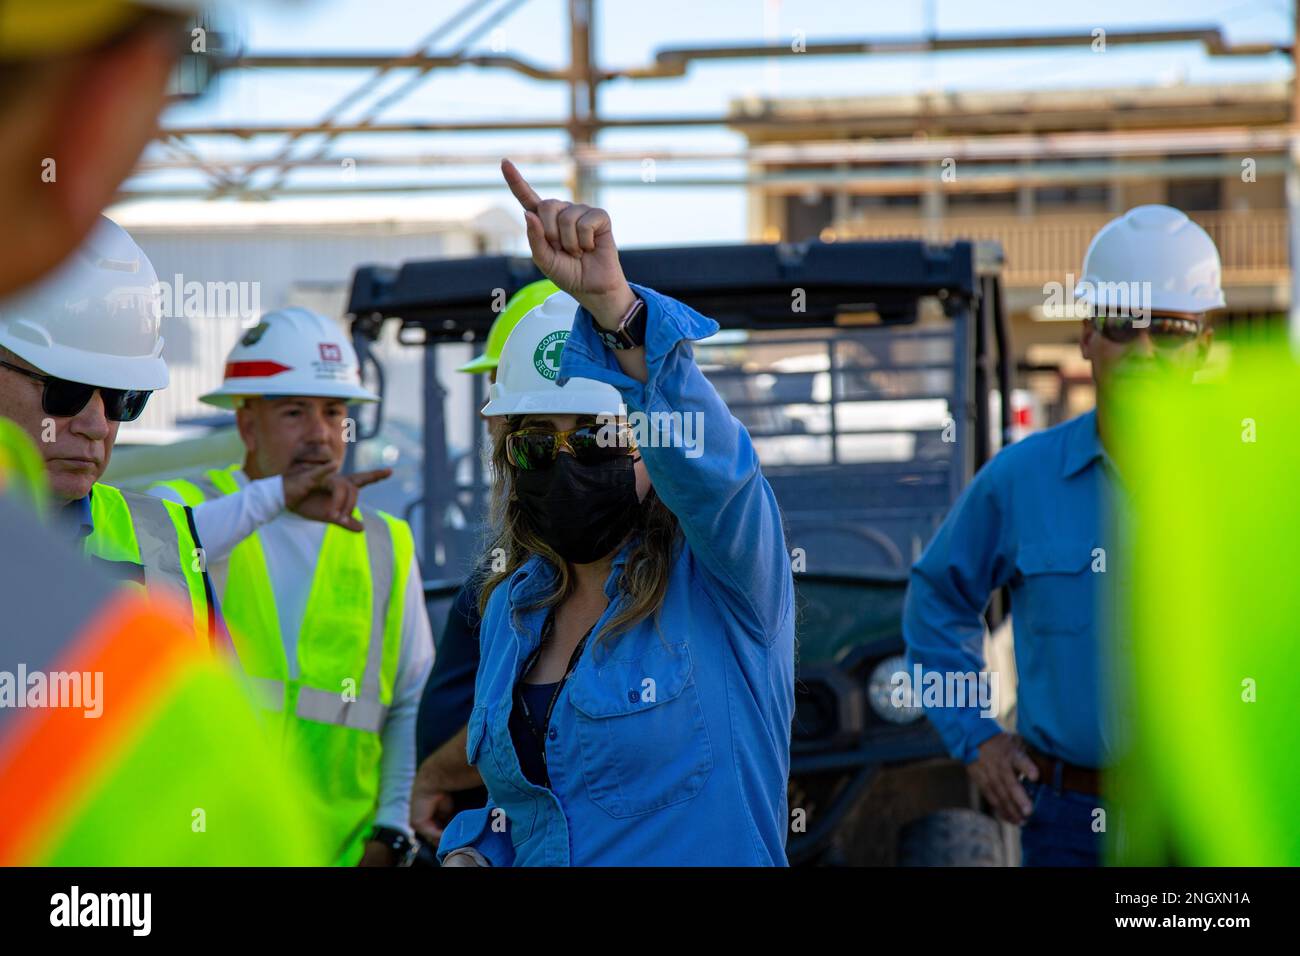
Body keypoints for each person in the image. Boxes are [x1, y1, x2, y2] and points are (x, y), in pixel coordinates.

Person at [0, 0, 327, 866]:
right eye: (68, 389)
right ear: (104, 104)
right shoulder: (193, 774)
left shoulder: (160, 537)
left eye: (124, 400)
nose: (97, 425)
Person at [436, 160, 795, 867]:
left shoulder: (727, 584)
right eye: (537, 442)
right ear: (506, 453)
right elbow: (539, 809)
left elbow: (718, 471)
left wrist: (618, 311)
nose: (567, 457)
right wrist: (477, 850)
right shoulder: (512, 610)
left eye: (599, 437)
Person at [903, 204, 1221, 866]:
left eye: (1168, 329)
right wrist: (978, 738)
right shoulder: (1022, 479)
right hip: (1072, 827)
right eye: (1121, 326)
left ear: (1203, 343)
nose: (1143, 352)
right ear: (1086, 335)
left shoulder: (1259, 478)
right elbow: (937, 602)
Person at [150, 306, 435, 867]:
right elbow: (175, 549)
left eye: (333, 411)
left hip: (343, 854)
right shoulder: (182, 508)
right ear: (247, 424)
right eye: (293, 412)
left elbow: (408, 703)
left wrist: (391, 830)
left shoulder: (386, 542)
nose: (320, 434)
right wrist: (277, 496)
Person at [410, 277, 557, 848]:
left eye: (506, 391)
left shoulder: (571, 566)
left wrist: (435, 775)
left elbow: (543, 725)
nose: (491, 417)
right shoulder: (515, 561)